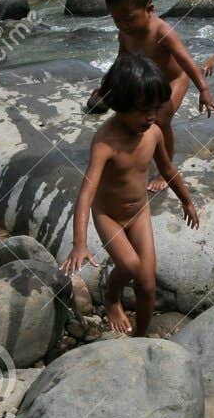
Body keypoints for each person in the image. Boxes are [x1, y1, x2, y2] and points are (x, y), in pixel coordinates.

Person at [63, 55, 200, 336]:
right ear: (120, 105)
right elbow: (87, 192)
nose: (151, 116)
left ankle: (141, 336)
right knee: (129, 265)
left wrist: (186, 200)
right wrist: (79, 243)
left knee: (148, 285)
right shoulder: (105, 143)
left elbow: (168, 169)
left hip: (139, 212)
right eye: (142, 110)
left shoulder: (154, 133)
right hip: (109, 216)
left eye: (155, 108)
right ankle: (112, 298)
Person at [90, 0, 214, 192]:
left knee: (160, 119)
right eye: (116, 20)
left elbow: (186, 62)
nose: (123, 24)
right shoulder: (125, 34)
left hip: (174, 80)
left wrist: (204, 90)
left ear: (149, 10)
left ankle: (165, 169)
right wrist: (107, 87)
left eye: (129, 18)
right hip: (149, 82)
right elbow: (122, 60)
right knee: (129, 115)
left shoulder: (162, 31)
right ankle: (138, 150)